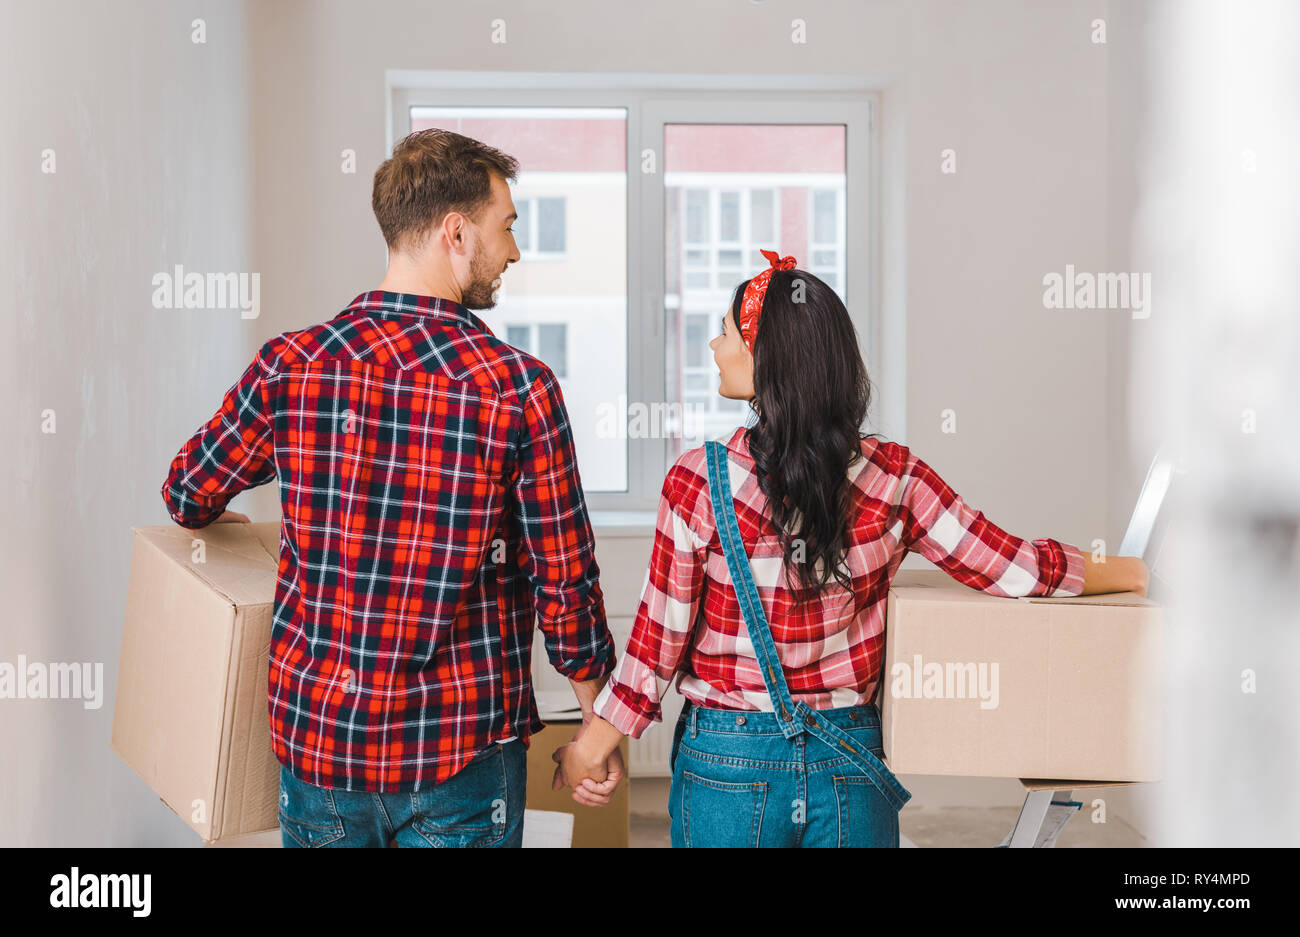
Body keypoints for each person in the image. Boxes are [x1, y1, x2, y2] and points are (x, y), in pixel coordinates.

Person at [553, 251, 1149, 847]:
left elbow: (656, 648)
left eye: (728, 331)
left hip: (728, 762)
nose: (714, 345)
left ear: (768, 361)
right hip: (849, 762)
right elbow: (1014, 568)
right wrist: (1127, 571)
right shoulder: (897, 479)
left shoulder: (697, 482)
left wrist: (591, 747)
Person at [161, 129, 622, 847]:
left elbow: (188, 491)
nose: (515, 252)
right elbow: (565, 576)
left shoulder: (292, 365)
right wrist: (598, 721)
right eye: (507, 229)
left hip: (321, 750)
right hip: (462, 752)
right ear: (456, 232)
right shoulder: (515, 387)